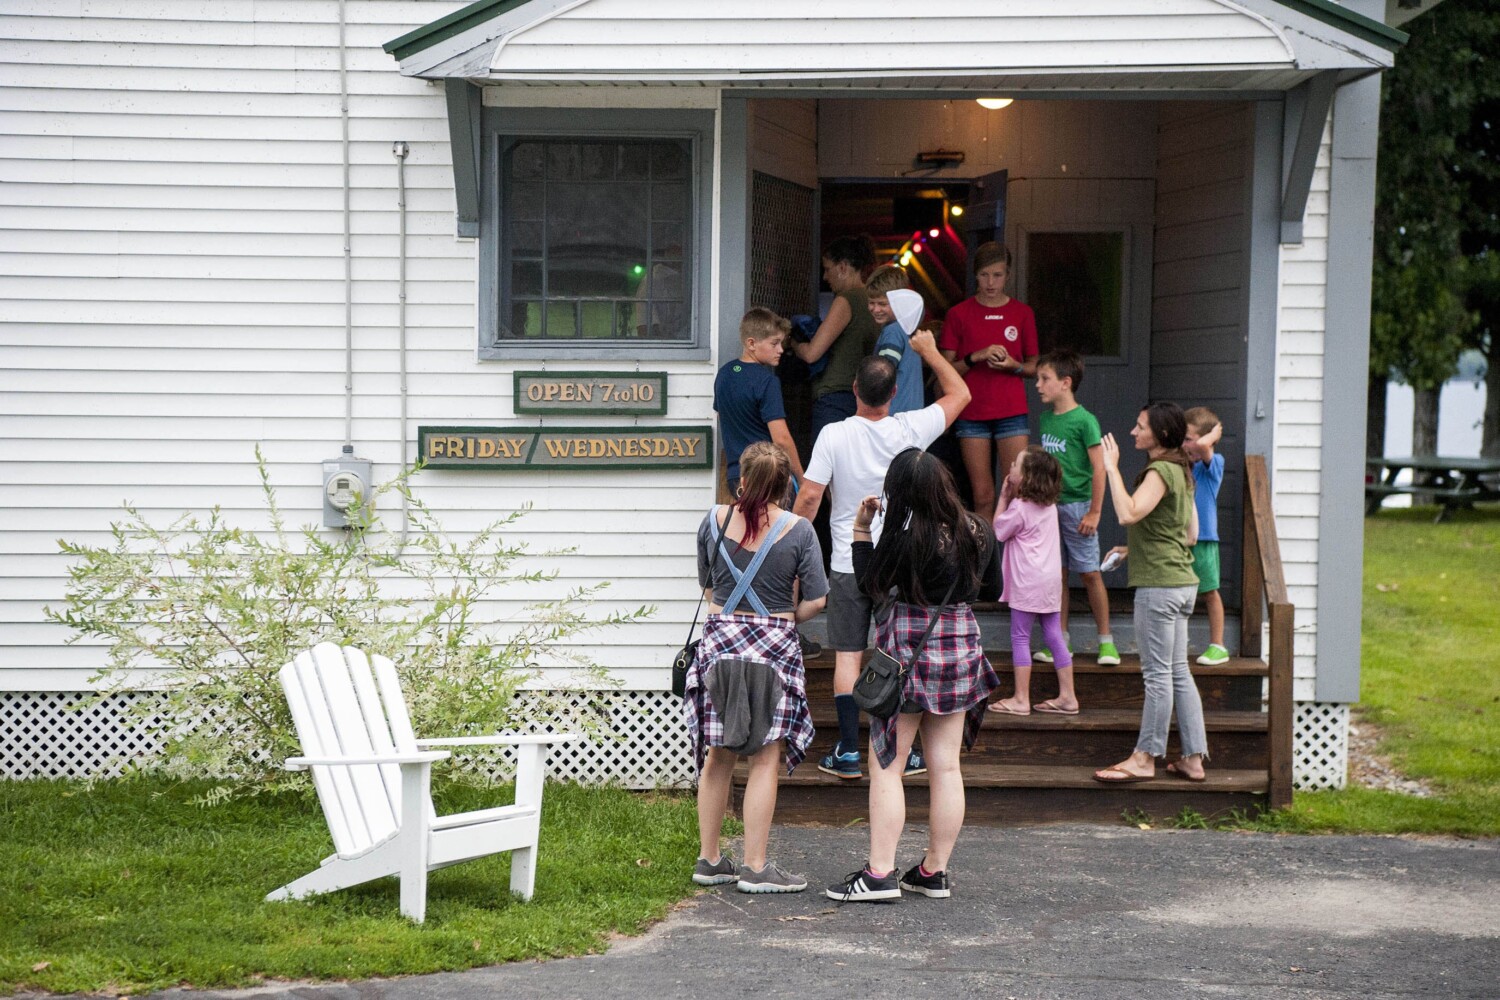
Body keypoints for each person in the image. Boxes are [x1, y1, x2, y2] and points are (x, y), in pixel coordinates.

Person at [792, 332, 971, 780]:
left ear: (854, 388)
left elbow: (810, 498)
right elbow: (960, 394)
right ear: (893, 393)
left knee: (848, 655)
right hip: (900, 562)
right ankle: (903, 750)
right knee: (899, 651)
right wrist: (930, 351)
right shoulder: (910, 428)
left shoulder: (833, 434)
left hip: (847, 560)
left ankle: (849, 752)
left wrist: (789, 548)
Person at [825, 449, 1001, 902]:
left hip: (907, 653)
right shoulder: (980, 531)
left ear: (900, 493)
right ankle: (933, 872)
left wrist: (861, 529)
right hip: (960, 650)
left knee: (888, 764)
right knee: (946, 765)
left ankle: (880, 874)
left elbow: (869, 585)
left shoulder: (905, 539)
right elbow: (995, 588)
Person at [686, 443, 829, 892]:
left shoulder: (713, 520)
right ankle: (755, 866)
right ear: (786, 486)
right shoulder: (800, 530)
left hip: (719, 646)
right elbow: (817, 600)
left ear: (743, 481)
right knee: (765, 757)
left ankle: (710, 860)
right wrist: (786, 618)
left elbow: (708, 585)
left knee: (718, 756)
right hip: (773, 650)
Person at [1093, 403, 1208, 784]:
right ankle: (1193, 759)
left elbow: (1128, 513)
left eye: (1140, 426)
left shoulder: (1160, 471)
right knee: (1178, 672)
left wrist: (1111, 467)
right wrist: (1134, 549)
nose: (1133, 432)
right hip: (1182, 583)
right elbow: (1189, 534)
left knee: (1158, 675)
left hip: (1160, 587)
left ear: (1160, 435)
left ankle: (1145, 758)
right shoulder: (1182, 470)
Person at [939, 242, 1039, 523]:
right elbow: (944, 369)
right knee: (982, 495)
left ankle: (1013, 553)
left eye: (997, 275)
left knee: (1017, 490)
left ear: (1008, 275)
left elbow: (1034, 366)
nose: (991, 282)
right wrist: (976, 357)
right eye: (984, 275)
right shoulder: (958, 314)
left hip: (1011, 411)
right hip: (972, 413)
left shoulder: (1022, 313)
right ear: (975, 276)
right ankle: (983, 552)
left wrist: (1013, 365)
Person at [1034, 350, 1119, 667]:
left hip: (1078, 507)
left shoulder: (1085, 421)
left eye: (1045, 379)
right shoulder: (1046, 419)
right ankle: (1060, 641)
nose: (1038, 385)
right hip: (1049, 508)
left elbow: (1099, 468)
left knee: (1090, 573)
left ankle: (1106, 642)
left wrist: (1095, 511)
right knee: (1057, 575)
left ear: (1065, 382)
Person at [987, 446, 1079, 715]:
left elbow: (998, 531)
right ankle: (1068, 696)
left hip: (1027, 583)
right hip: (1050, 582)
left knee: (1020, 637)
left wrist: (1003, 498)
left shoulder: (1019, 508)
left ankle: (1021, 699)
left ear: (1026, 477)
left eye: (1016, 464)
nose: (1011, 466)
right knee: (1054, 634)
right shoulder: (1050, 507)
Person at [793, 235, 881, 443]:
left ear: (842, 267)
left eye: (827, 269)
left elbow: (812, 353)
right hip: (863, 396)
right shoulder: (872, 299)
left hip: (835, 397)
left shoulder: (846, 300)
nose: (825, 277)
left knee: (827, 461)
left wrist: (792, 343)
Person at [713, 307, 805, 498]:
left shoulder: (724, 374)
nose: (781, 350)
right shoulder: (767, 381)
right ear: (751, 343)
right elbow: (781, 439)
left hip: (736, 477)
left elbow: (722, 416)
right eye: (774, 343)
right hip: (767, 476)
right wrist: (801, 478)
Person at [1184, 407, 1228, 665]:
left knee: (1209, 591)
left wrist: (1211, 435)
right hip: (1182, 539)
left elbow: (1202, 446)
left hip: (1205, 540)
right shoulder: (1183, 467)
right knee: (1181, 591)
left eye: (1188, 439)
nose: (1185, 444)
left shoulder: (1213, 465)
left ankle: (1218, 645)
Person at [865, 264, 925, 415]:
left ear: (900, 302)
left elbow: (882, 374)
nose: (875, 309)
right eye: (871, 302)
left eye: (882, 304)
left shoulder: (892, 332)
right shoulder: (908, 328)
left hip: (894, 414)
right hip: (911, 414)